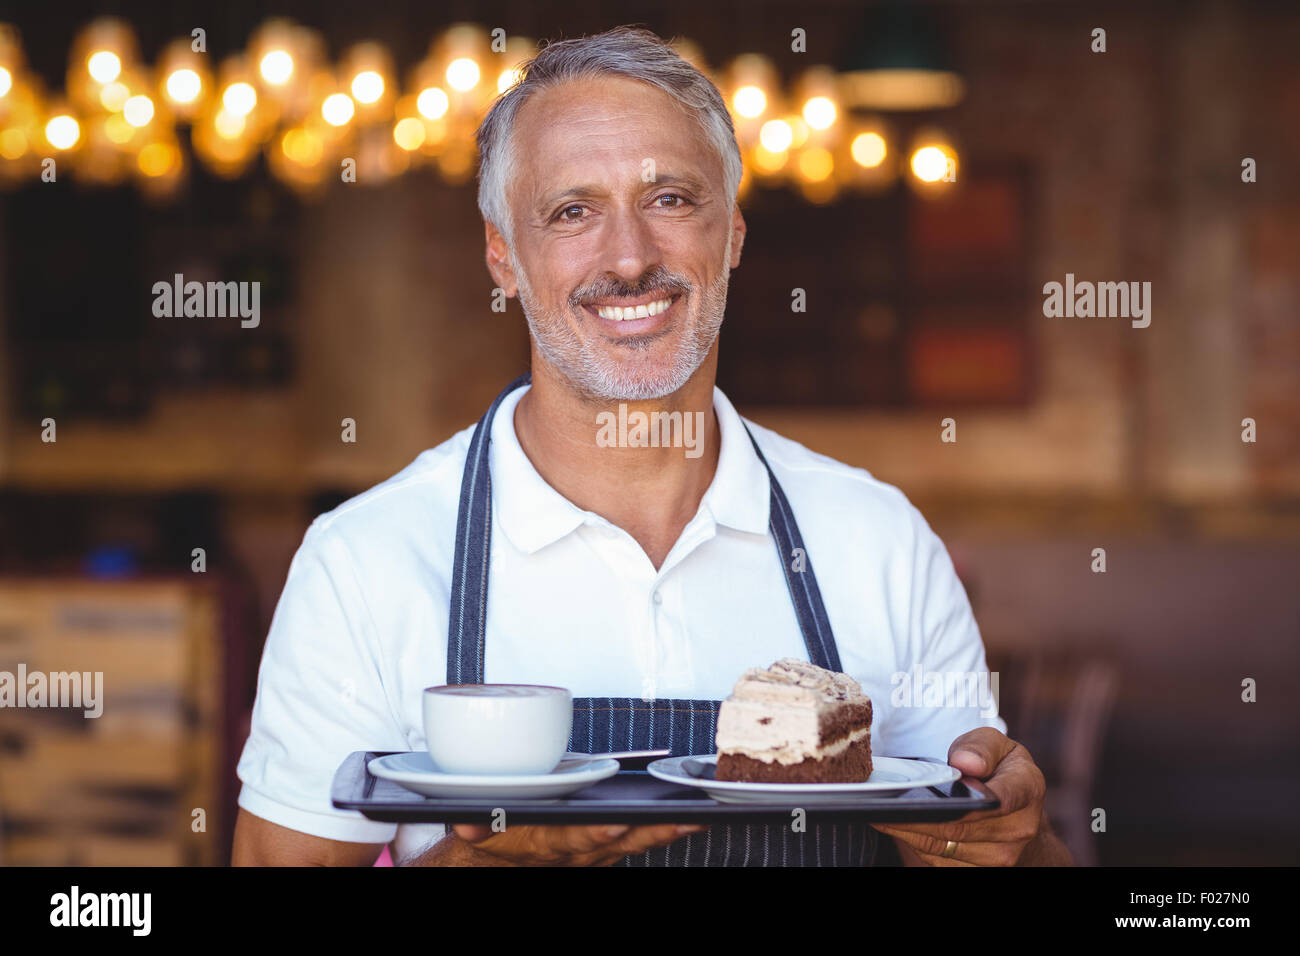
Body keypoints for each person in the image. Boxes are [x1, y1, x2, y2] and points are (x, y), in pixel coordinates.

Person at [232, 25, 1072, 867]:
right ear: (503, 259)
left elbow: (1000, 844)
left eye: (670, 199)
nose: (630, 258)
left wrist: (1017, 845)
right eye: (572, 212)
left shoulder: (882, 542)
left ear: (734, 235)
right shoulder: (364, 561)